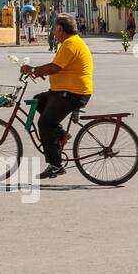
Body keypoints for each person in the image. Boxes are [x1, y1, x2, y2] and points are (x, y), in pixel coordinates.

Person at [20, 15, 93, 179]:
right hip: (63, 91)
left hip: (73, 93)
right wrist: (38, 72)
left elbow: (55, 67)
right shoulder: (70, 43)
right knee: (38, 101)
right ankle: (61, 135)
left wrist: (34, 70)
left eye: (54, 29)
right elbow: (58, 68)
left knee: (44, 124)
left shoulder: (70, 44)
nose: (53, 32)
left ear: (60, 30)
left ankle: (55, 166)